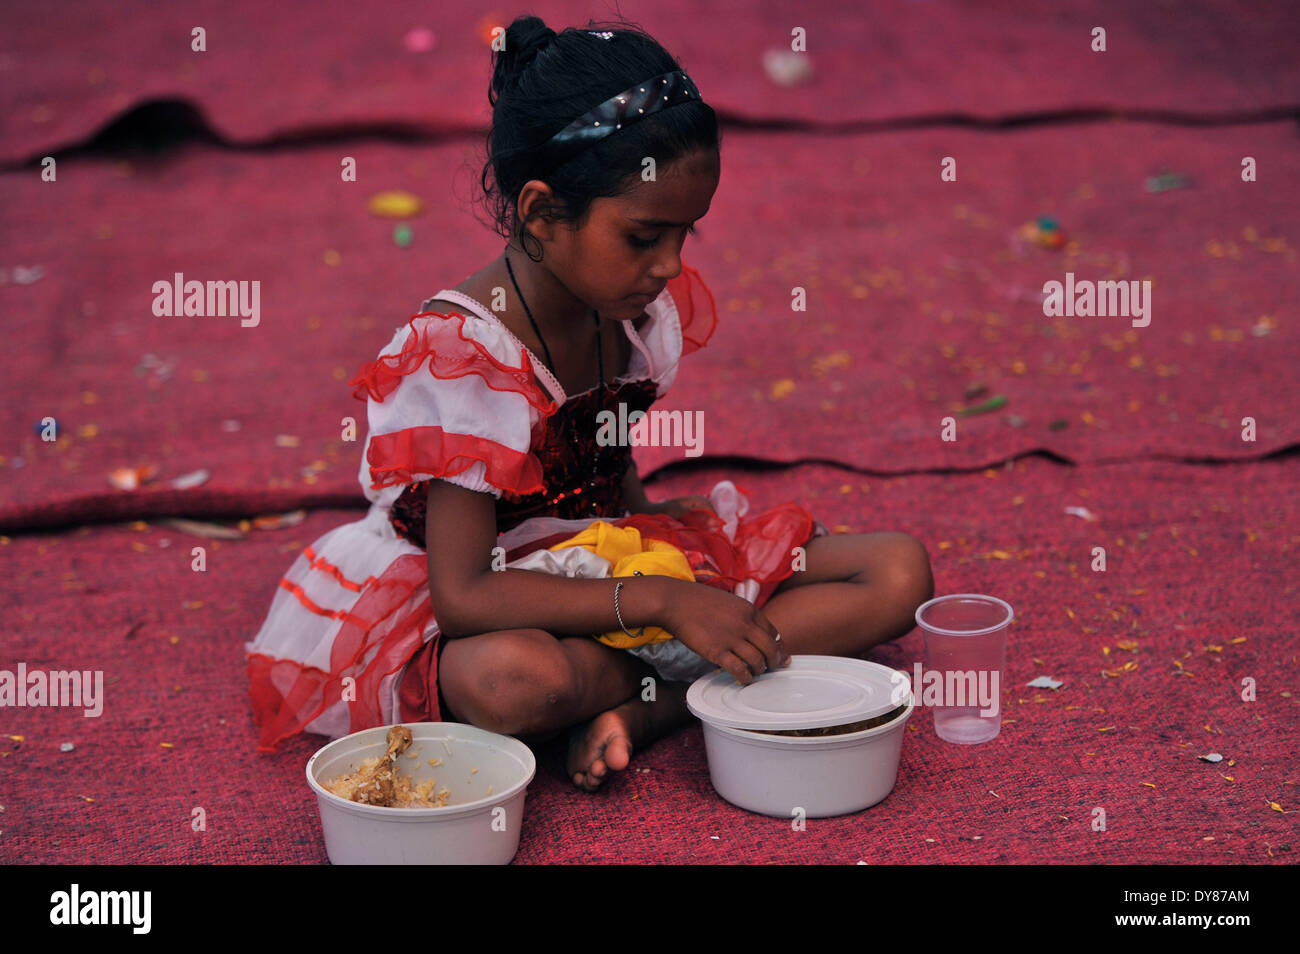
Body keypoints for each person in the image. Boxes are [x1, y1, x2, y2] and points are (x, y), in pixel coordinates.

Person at [246, 15, 934, 791]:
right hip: (488, 589)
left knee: (898, 572)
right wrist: (666, 605)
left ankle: (651, 706)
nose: (670, 267)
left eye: (686, 234)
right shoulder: (464, 359)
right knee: (514, 682)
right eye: (644, 237)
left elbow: (609, 475)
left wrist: (686, 575)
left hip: (601, 551)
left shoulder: (627, 311)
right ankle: (665, 685)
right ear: (541, 215)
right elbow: (467, 595)